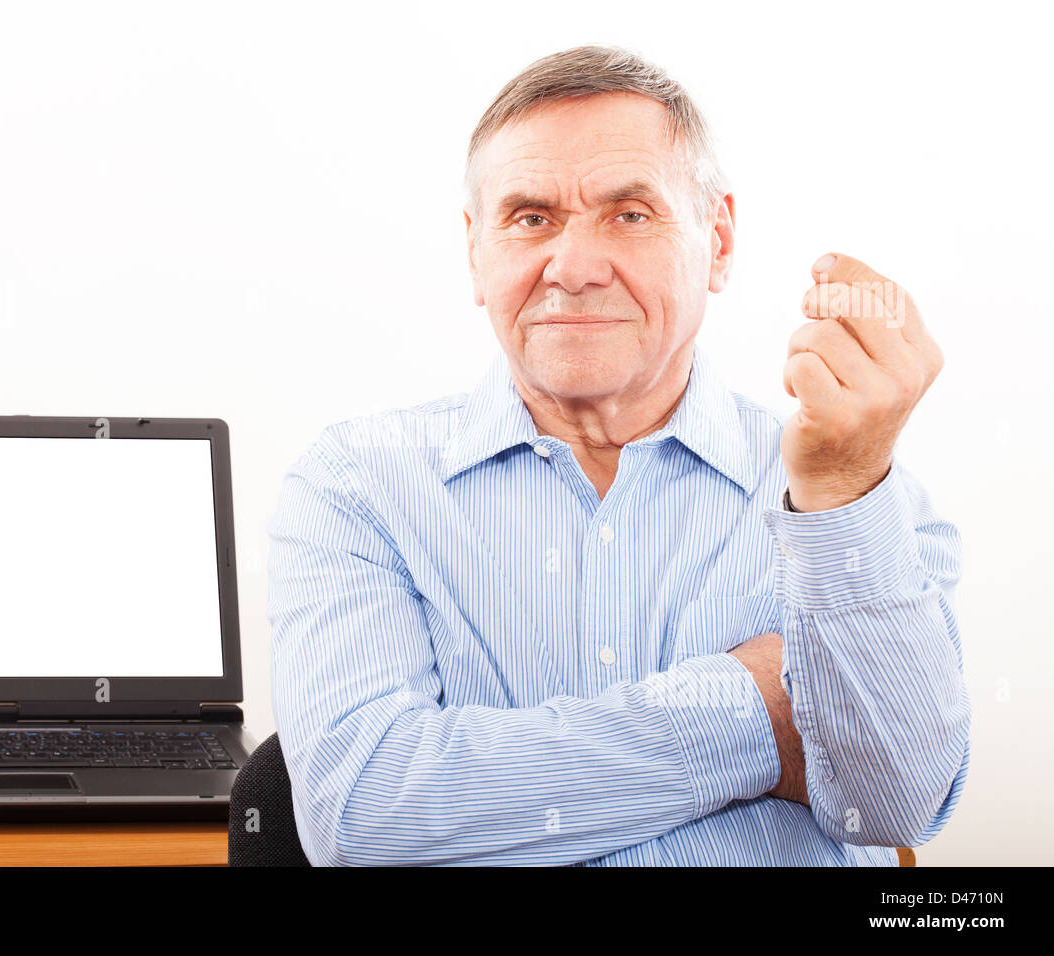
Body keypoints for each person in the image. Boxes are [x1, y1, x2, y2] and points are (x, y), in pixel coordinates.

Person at [267, 44, 968, 865]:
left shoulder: (853, 493)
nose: (574, 266)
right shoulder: (358, 486)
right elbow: (363, 818)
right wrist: (751, 711)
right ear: (476, 254)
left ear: (719, 242)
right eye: (531, 216)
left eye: (629, 214)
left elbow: (893, 808)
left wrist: (845, 496)